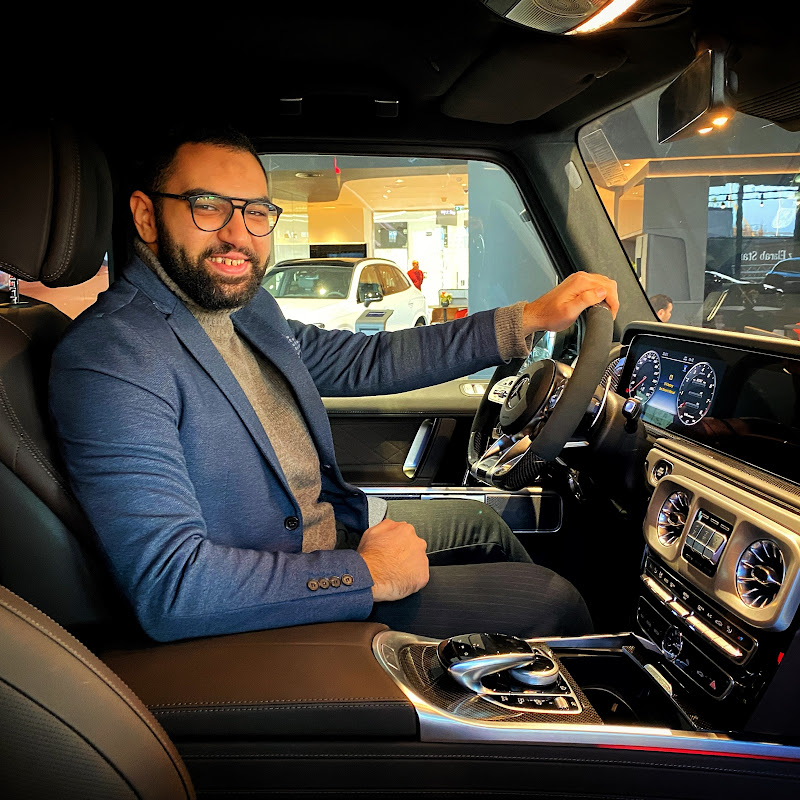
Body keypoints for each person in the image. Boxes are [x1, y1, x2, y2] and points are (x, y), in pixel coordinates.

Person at [50, 129, 619, 643]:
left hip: (326, 532)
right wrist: (366, 574)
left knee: (483, 523)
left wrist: (529, 319)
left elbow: (368, 359)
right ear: (146, 216)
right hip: (270, 601)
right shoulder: (113, 355)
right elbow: (171, 587)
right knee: (554, 602)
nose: (237, 234)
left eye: (255, 212)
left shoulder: (244, 311)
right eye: (208, 206)